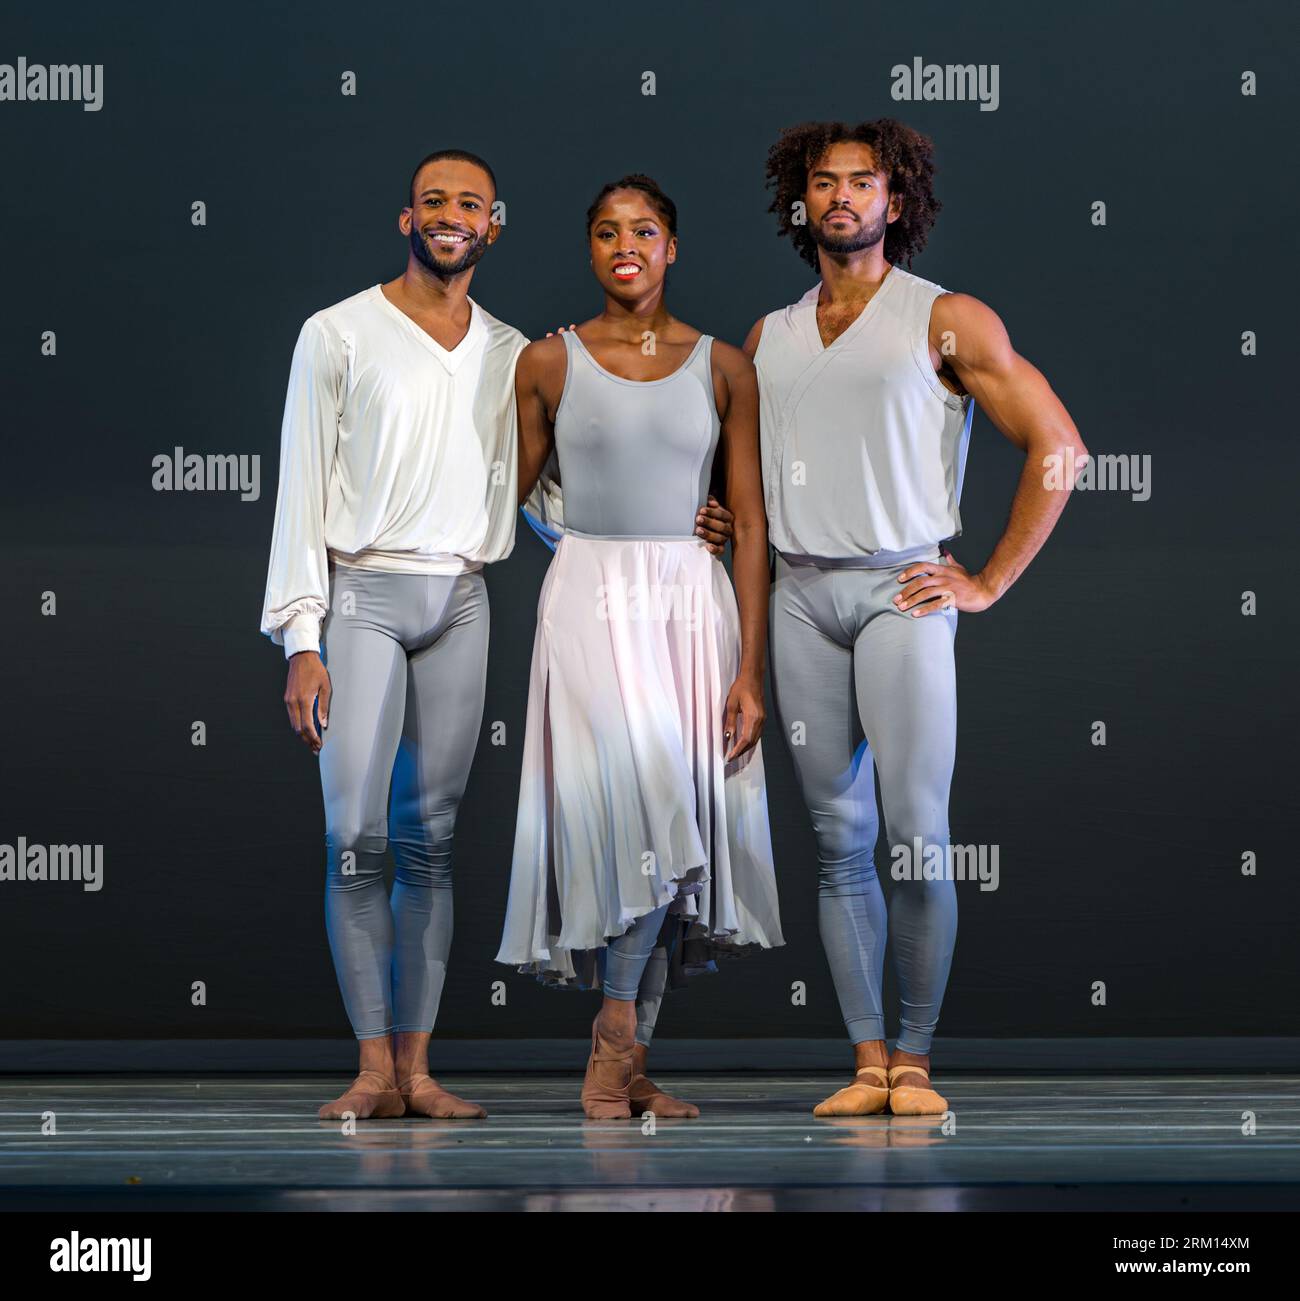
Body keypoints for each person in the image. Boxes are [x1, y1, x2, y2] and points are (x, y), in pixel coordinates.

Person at [259, 148, 741, 1121]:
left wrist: (676, 523)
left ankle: (420, 1071)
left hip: (463, 598)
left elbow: (539, 484)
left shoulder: (510, 348)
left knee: (428, 838)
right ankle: (371, 1069)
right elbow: (300, 486)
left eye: (468, 204)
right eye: (433, 201)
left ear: (495, 225)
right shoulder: (337, 332)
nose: (450, 216)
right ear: (407, 218)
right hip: (359, 594)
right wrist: (301, 633)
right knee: (355, 836)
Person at [745, 120, 1086, 1116]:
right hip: (800, 599)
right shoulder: (769, 336)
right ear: (800, 201)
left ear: (895, 202)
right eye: (824, 182)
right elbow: (758, 489)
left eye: (863, 181)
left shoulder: (946, 319)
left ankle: (918, 1059)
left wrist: (983, 580)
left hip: (902, 590)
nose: (842, 195)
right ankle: (863, 1062)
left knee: (916, 833)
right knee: (836, 833)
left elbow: (1058, 449)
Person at [498, 174, 784, 1119]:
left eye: (646, 230)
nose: (627, 243)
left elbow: (746, 517)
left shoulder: (726, 364)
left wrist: (750, 667)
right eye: (609, 231)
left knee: (676, 832)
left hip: (690, 606)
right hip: (589, 598)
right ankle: (611, 1038)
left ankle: (631, 1060)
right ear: (590, 249)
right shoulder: (546, 360)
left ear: (672, 248)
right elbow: (507, 493)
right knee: (640, 815)